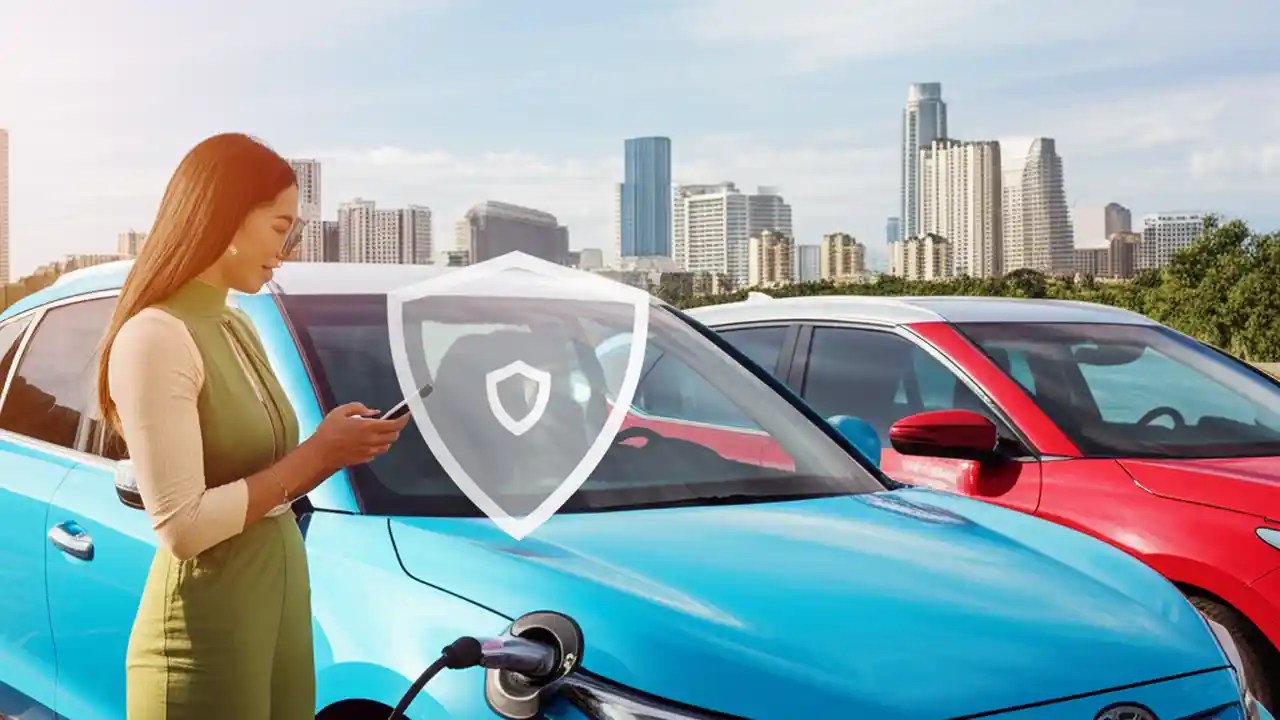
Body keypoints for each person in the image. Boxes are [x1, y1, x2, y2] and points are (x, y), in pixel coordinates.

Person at [96, 132, 411, 719]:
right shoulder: (156, 336)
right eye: (277, 226)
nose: (284, 249)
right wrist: (319, 457)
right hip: (206, 642)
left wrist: (334, 444)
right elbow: (182, 528)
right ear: (226, 218)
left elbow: (268, 473)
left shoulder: (237, 325)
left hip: (280, 625)